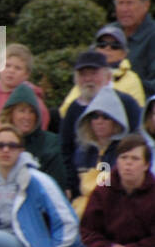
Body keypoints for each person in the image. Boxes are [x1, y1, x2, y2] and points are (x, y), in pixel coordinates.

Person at [58, 50, 142, 198]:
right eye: (83, 74)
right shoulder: (73, 108)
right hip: (81, 185)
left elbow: (139, 142)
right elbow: (65, 149)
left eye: (94, 73)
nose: (88, 79)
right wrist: (69, 185)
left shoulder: (126, 103)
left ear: (108, 76)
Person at [0, 82, 69, 193]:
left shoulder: (50, 144)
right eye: (21, 111)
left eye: (31, 112)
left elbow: (57, 187)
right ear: (10, 113)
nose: (26, 117)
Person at [0, 43, 48, 153]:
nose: (11, 71)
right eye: (7, 66)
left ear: (26, 74)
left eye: (17, 68)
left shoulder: (34, 102)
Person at [71, 85, 131, 216]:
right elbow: (75, 186)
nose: (99, 121)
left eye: (105, 117)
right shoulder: (83, 151)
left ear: (115, 121)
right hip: (82, 213)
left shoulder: (124, 150)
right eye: (95, 117)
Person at [58, 23, 146, 112]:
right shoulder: (86, 76)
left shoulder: (131, 79)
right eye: (102, 44)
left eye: (115, 46)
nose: (107, 48)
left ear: (124, 53)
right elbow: (65, 110)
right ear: (95, 49)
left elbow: (139, 114)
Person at [113, 0, 155, 96]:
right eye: (120, 3)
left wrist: (126, 84)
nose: (124, 9)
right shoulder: (108, 34)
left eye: (130, 3)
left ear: (146, 5)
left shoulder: (152, 35)